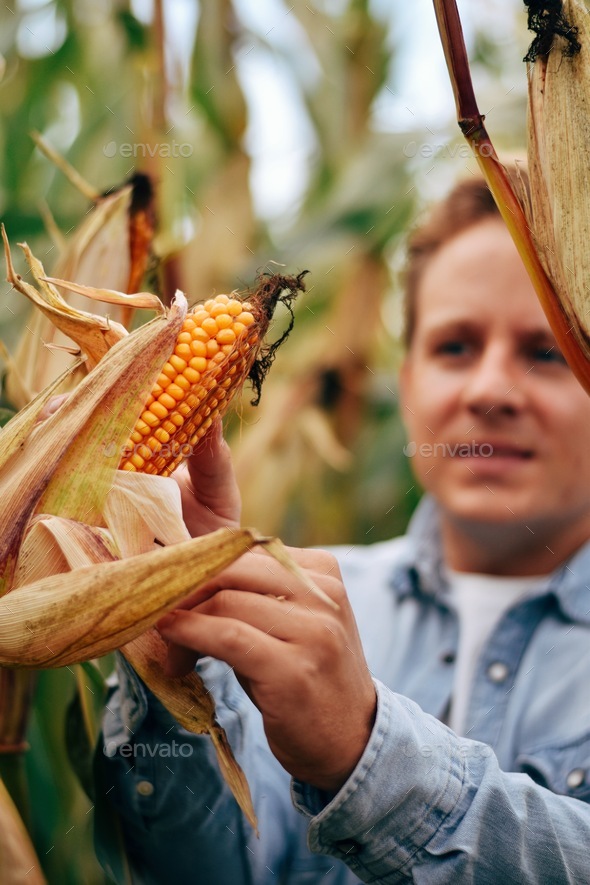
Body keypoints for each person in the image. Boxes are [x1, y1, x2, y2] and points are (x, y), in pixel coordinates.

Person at [97, 174, 590, 884]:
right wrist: (164, 668)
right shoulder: (291, 604)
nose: (490, 391)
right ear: (409, 380)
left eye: (545, 351)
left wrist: (367, 753)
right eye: (455, 346)